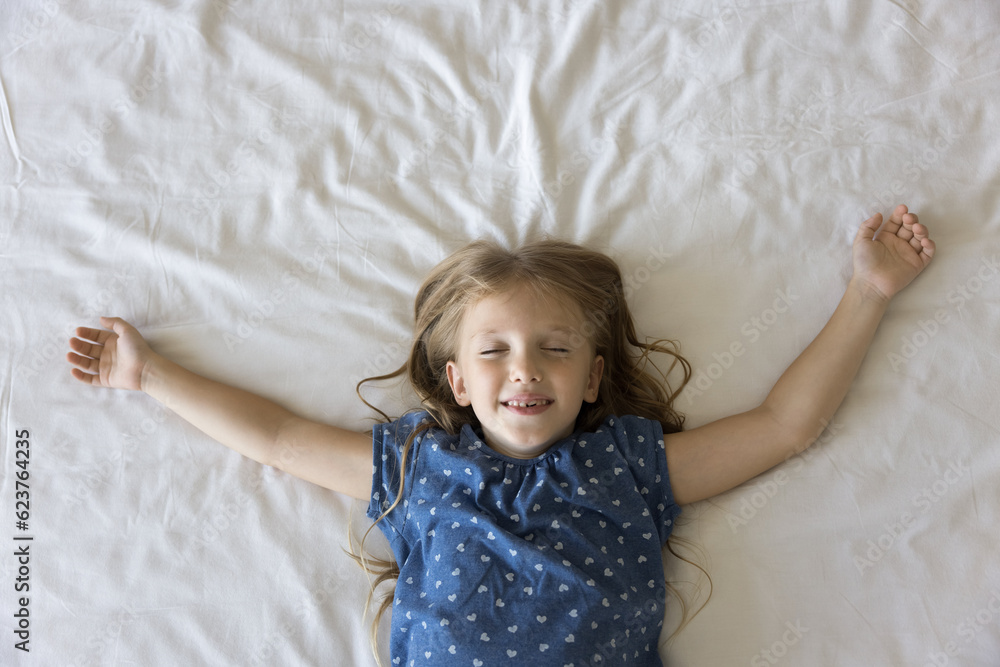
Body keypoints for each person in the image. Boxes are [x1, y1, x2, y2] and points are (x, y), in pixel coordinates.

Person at [67, 205, 935, 666]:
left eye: (555, 350)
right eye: (496, 351)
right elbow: (283, 439)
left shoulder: (628, 464)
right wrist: (149, 376)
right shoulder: (418, 463)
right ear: (458, 380)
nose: (525, 370)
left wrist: (867, 293)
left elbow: (785, 427)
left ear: (592, 378)